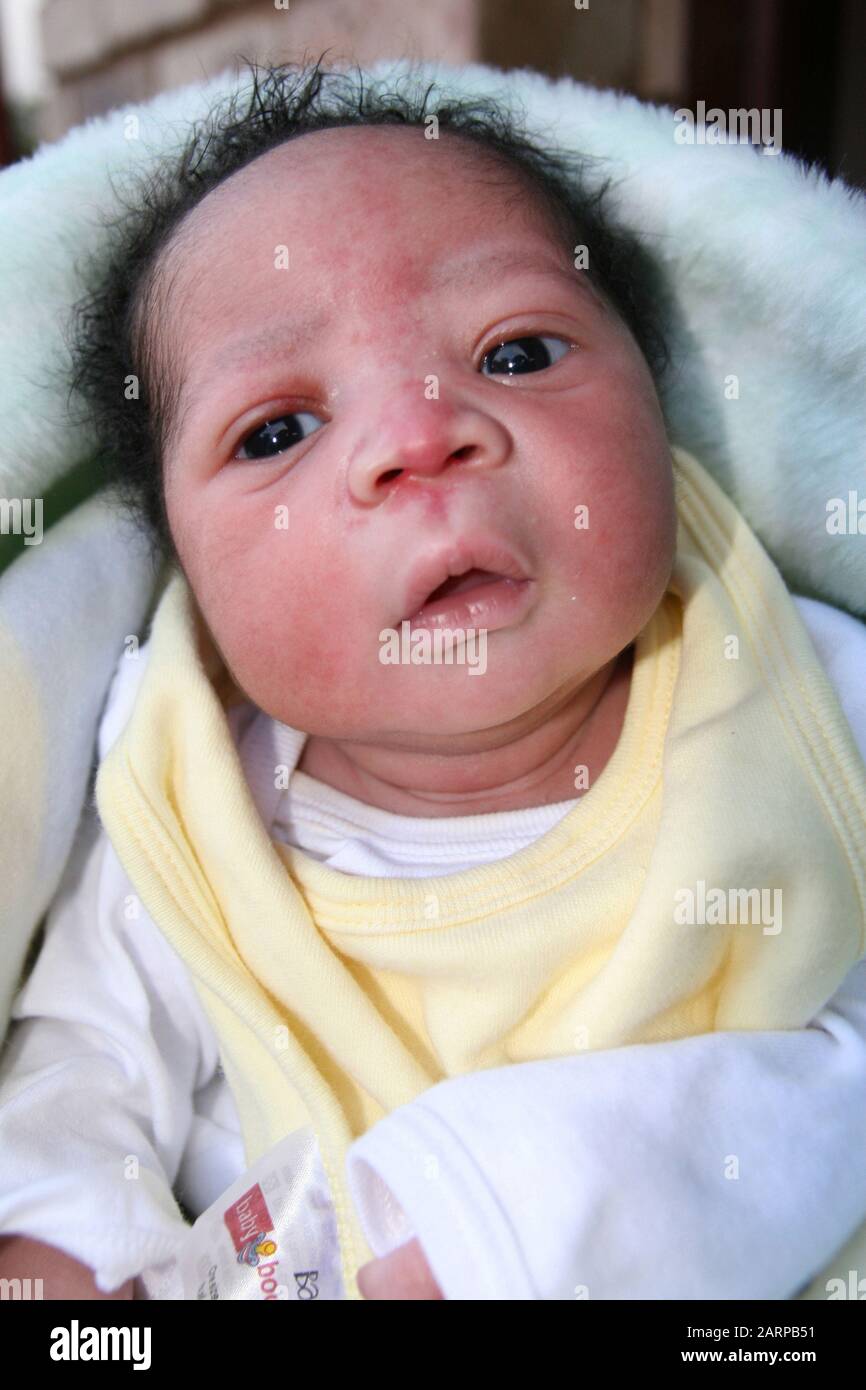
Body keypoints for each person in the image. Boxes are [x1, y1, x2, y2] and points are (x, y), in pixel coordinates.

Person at [1, 57, 864, 1301]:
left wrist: (494, 1220)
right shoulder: (185, 804)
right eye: (277, 429)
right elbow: (80, 1075)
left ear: (656, 405)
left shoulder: (792, 700)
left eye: (512, 352)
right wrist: (69, 1265)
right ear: (182, 562)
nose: (417, 435)